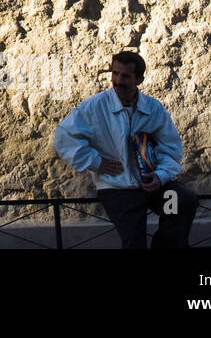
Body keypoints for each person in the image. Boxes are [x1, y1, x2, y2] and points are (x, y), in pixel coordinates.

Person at [53, 51, 198, 248]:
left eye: (125, 76)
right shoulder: (95, 106)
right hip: (118, 190)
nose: (118, 81)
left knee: (181, 202)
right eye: (115, 73)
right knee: (134, 242)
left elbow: (170, 147)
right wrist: (96, 162)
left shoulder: (154, 108)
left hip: (155, 188)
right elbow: (64, 136)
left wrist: (160, 176)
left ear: (139, 79)